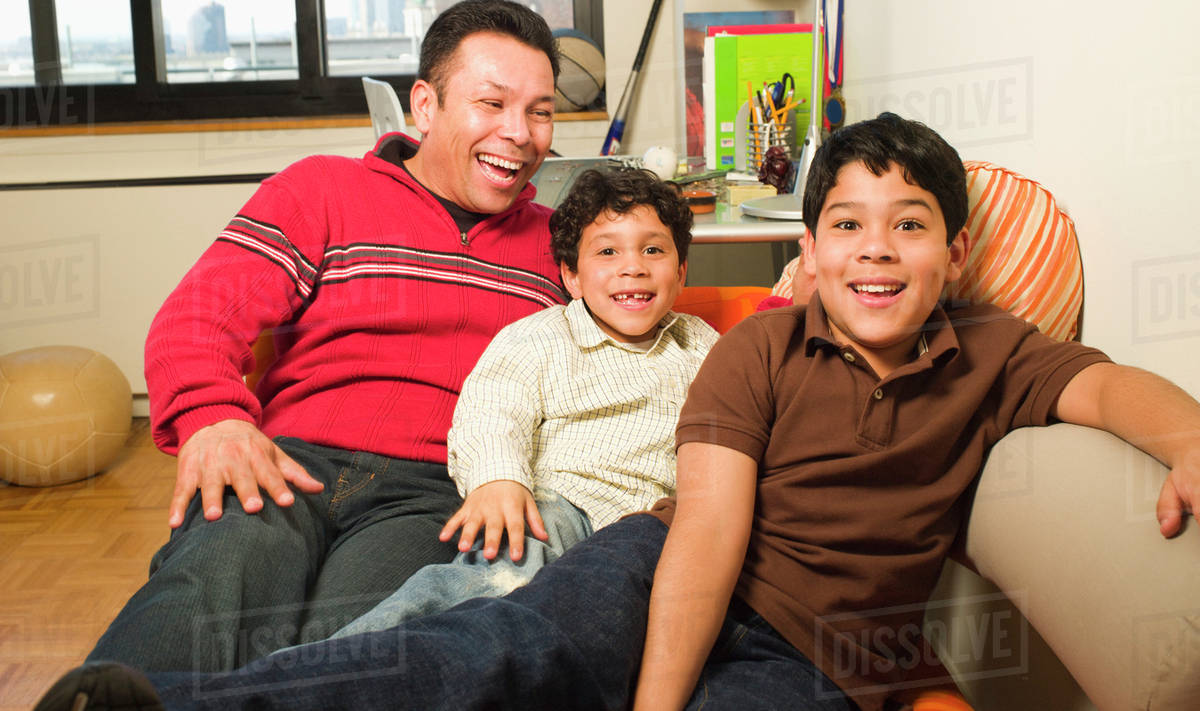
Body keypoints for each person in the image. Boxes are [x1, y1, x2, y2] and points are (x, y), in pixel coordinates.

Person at [37, 113, 1200, 711]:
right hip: (655, 562)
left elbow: (1108, 390)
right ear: (812, 249)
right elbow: (704, 530)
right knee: (492, 646)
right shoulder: (758, 348)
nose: (878, 251)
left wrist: (1190, 436)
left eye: (911, 226)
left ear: (955, 253)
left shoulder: (996, 354)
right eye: (849, 225)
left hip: (823, 655)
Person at [87, 0, 570, 672]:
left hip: (436, 490)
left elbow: (646, 321)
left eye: (541, 111)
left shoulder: (561, 244)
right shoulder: (322, 189)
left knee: (349, 643)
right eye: (491, 103)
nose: (518, 133)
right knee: (206, 589)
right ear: (425, 106)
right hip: (286, 461)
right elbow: (198, 314)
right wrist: (212, 415)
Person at [324, 167, 717, 640]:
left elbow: (749, 411)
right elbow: (493, 411)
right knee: (489, 582)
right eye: (608, 251)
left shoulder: (700, 345)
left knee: (604, 626)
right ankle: (349, 660)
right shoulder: (542, 335)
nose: (632, 266)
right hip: (559, 510)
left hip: (656, 528)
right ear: (571, 276)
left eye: (652, 249)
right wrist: (498, 481)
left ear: (681, 272)